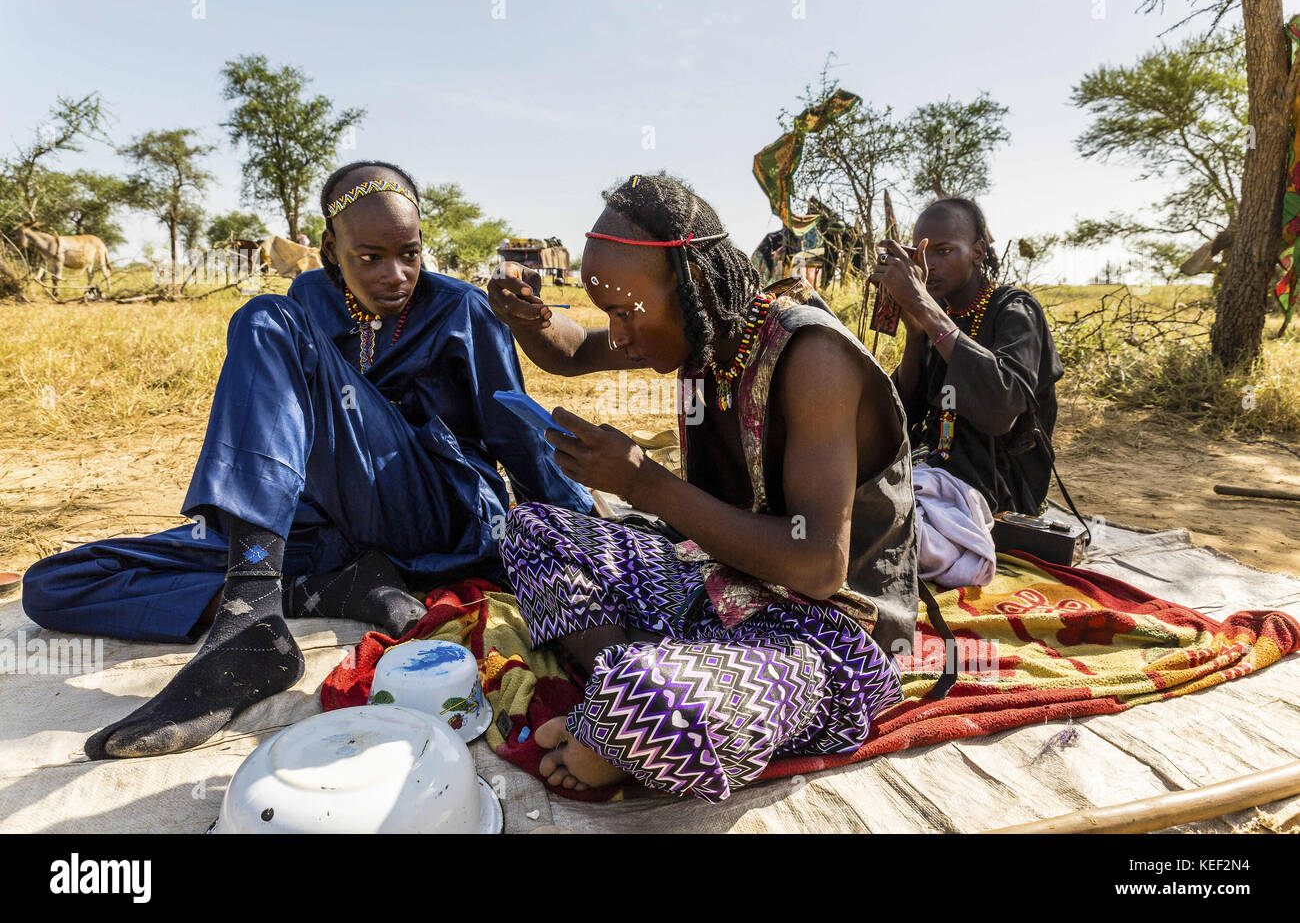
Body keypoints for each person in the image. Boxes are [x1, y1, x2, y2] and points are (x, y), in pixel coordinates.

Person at [23, 160, 590, 759]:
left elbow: (516, 436)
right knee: (55, 585)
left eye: (410, 253)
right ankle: (317, 592)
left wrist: (581, 531)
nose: (395, 275)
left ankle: (248, 622)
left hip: (427, 511)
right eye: (369, 256)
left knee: (262, 318)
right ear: (329, 249)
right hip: (324, 524)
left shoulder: (460, 310)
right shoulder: (309, 300)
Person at [487, 173, 914, 802]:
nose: (621, 337)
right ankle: (629, 688)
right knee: (529, 527)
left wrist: (646, 484)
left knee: (650, 704)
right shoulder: (705, 333)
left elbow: (821, 567)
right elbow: (572, 353)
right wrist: (528, 319)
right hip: (715, 579)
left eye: (627, 315)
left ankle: (634, 700)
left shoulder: (813, 358)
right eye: (612, 317)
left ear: (692, 292)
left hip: (827, 631)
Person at [876, 198, 1064, 518]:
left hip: (1001, 486)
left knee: (887, 522)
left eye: (943, 251)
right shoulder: (940, 316)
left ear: (977, 252)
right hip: (935, 465)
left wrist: (924, 307)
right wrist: (914, 334)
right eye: (922, 254)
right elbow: (904, 413)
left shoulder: (1016, 309)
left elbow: (1000, 408)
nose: (929, 264)